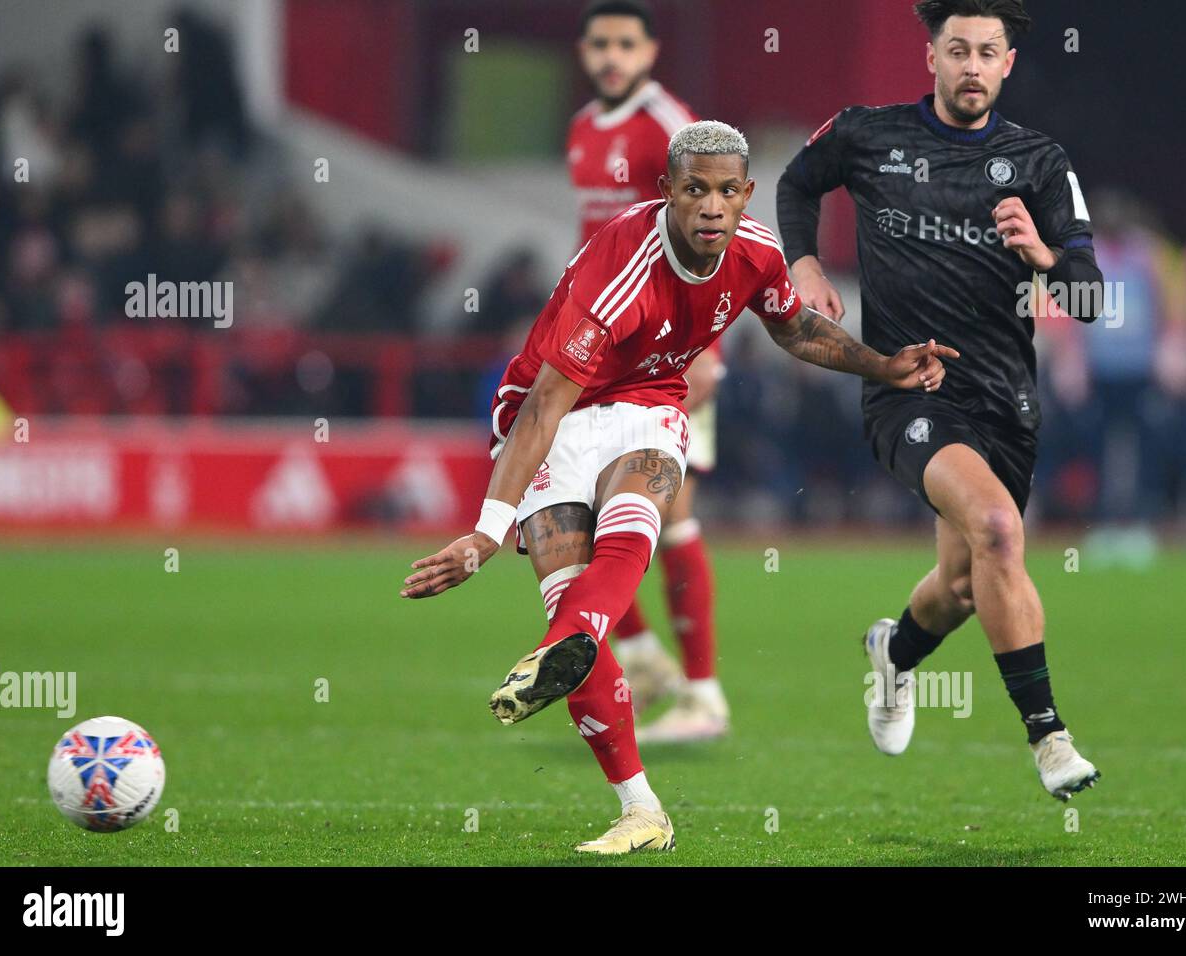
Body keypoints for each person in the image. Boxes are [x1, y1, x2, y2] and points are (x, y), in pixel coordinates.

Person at [402, 121, 957, 854]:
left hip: (651, 405)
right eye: (694, 188)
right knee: (576, 606)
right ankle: (642, 810)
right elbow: (544, 405)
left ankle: (573, 639)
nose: (712, 206)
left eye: (728, 191)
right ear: (667, 191)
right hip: (554, 413)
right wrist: (487, 529)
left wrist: (884, 367)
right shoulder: (622, 270)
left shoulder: (756, 251)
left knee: (626, 537)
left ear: (746, 194)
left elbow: (794, 330)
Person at [776, 0, 1103, 800]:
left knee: (962, 583)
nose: (971, 65)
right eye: (956, 49)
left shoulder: (1040, 161)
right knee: (999, 527)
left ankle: (894, 656)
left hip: (1006, 404)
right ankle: (1049, 738)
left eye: (987, 52)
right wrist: (805, 263)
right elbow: (795, 179)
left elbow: (1091, 298)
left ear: (1008, 64)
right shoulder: (869, 133)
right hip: (908, 388)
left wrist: (1044, 254)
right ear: (931, 56)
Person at [568, 0, 728, 740]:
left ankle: (702, 695)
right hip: (606, 349)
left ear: (650, 50)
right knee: (583, 508)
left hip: (674, 347)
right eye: (599, 43)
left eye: (625, 43)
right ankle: (645, 657)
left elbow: (711, 232)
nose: (610, 56)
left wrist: (709, 348)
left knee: (671, 517)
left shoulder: (670, 124)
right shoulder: (580, 129)